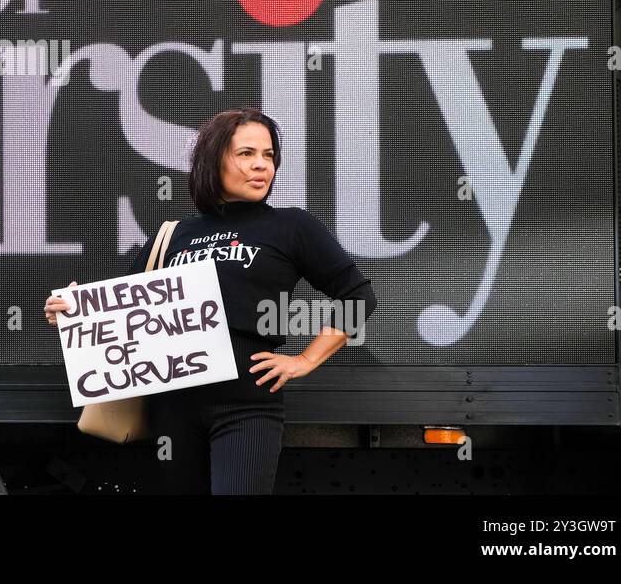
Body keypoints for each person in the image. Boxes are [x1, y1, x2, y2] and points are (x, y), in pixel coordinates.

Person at [45, 106, 377, 494]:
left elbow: (358, 296)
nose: (261, 166)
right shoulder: (176, 233)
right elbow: (124, 311)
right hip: (173, 409)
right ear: (213, 160)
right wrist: (72, 311)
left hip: (245, 408)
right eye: (246, 154)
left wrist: (305, 360)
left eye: (269, 155)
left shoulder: (291, 226)